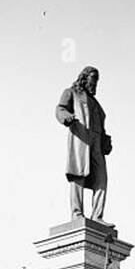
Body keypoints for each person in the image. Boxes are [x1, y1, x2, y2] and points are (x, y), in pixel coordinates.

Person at [56, 66, 113, 221]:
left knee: (101, 179)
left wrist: (106, 140)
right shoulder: (72, 93)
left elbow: (101, 125)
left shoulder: (96, 104)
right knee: (78, 175)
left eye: (97, 80)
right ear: (84, 77)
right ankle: (77, 213)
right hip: (81, 139)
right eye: (93, 78)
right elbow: (60, 108)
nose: (95, 82)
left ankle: (97, 216)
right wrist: (66, 116)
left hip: (97, 144)